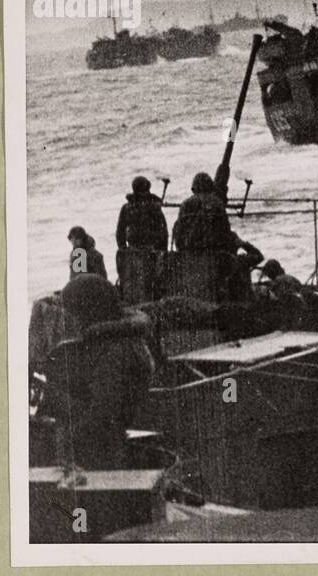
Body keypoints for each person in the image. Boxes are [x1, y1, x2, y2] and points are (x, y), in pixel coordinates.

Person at [42, 273, 156, 469]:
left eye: (72, 312)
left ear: (88, 311)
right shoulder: (117, 339)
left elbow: (104, 416)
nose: (69, 319)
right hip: (106, 443)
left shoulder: (114, 351)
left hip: (100, 455)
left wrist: (58, 402)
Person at [172, 172, 233, 252]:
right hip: (214, 252)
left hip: (189, 251)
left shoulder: (186, 203)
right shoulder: (217, 203)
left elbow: (179, 231)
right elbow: (225, 229)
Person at [115, 175, 168, 251]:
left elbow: (163, 231)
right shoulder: (153, 206)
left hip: (148, 249)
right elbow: (120, 232)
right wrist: (123, 248)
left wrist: (123, 248)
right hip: (140, 249)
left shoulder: (127, 207)